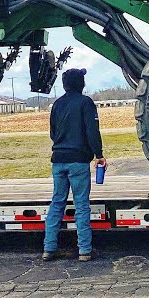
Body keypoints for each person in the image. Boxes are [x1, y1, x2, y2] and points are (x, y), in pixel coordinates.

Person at [42, 68, 106, 262]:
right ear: (81, 84)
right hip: (78, 161)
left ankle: (48, 248)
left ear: (64, 84)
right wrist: (99, 155)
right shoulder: (86, 103)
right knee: (81, 205)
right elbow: (92, 131)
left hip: (58, 160)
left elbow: (53, 133)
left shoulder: (57, 104)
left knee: (57, 204)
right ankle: (84, 250)